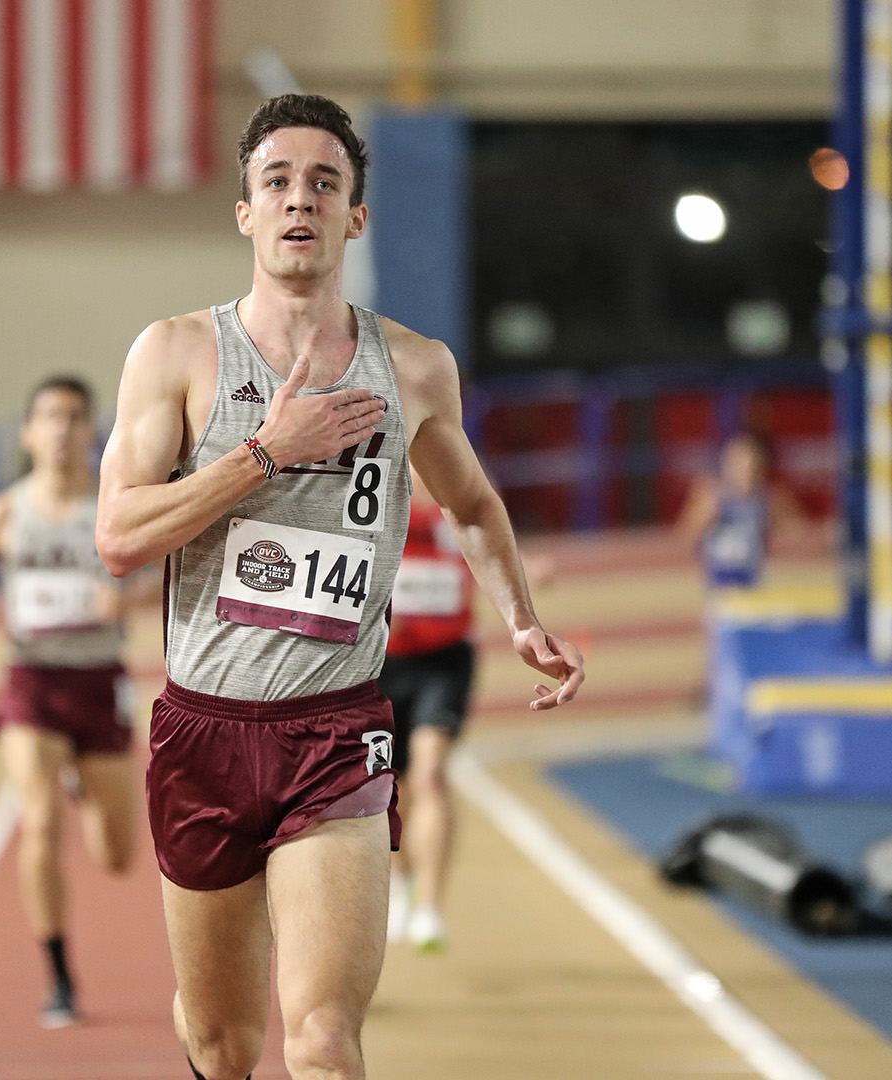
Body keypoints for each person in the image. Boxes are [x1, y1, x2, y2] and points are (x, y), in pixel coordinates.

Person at [96, 93, 585, 1080]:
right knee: (221, 1043)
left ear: (355, 216)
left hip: (337, 734)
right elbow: (116, 536)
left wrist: (522, 618)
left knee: (322, 1042)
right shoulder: (179, 354)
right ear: (244, 210)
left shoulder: (411, 368)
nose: (299, 200)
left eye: (326, 183)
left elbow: (476, 507)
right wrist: (264, 457)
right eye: (276, 181)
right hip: (203, 732)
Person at [0, 374, 138, 1028]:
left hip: (99, 681)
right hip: (31, 682)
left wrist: (128, 599)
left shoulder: (117, 506)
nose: (61, 429)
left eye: (74, 417)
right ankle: (58, 975)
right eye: (48, 417)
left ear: (91, 432)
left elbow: (168, 571)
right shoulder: (2, 512)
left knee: (117, 854)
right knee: (38, 822)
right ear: (29, 433)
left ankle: (85, 786)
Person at [378, 467, 476, 953]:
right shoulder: (373, 468)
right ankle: (401, 883)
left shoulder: (457, 470)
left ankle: (430, 909)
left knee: (431, 773)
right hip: (380, 658)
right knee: (391, 787)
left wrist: (522, 571)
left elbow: (485, 529)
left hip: (444, 657)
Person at [674, 429, 808, 589]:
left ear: (761, 466)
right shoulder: (710, 495)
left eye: (750, 465)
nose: (744, 471)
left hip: (754, 580)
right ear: (727, 465)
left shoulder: (770, 498)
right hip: (717, 580)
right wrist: (706, 518)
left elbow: (800, 535)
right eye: (737, 464)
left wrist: (778, 529)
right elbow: (683, 538)